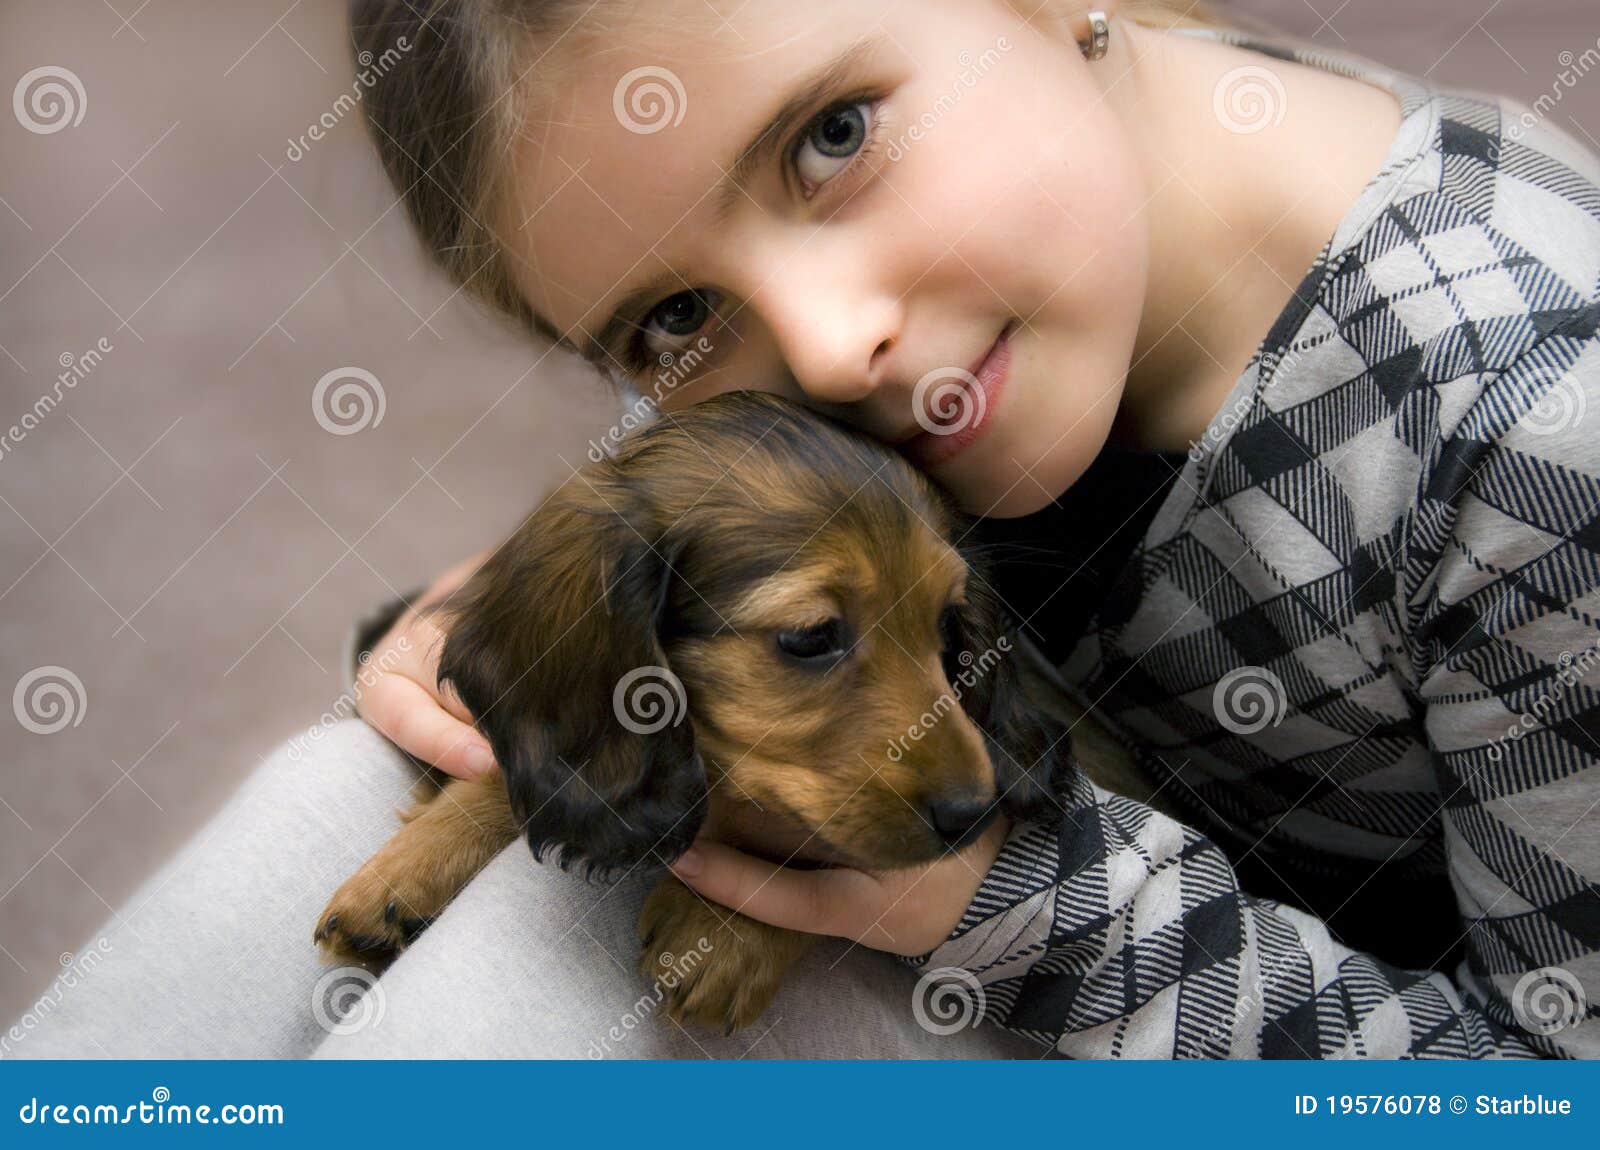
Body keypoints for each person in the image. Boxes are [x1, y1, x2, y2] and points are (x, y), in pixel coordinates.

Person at [14, 0, 1597, 1059]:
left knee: (513, 1007)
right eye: (675, 319)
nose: (834, 355)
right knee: (347, 793)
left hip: (1247, 1018)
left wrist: (1006, 901)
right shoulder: (983, 241)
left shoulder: (1538, 433)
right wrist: (541, 646)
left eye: (832, 135)